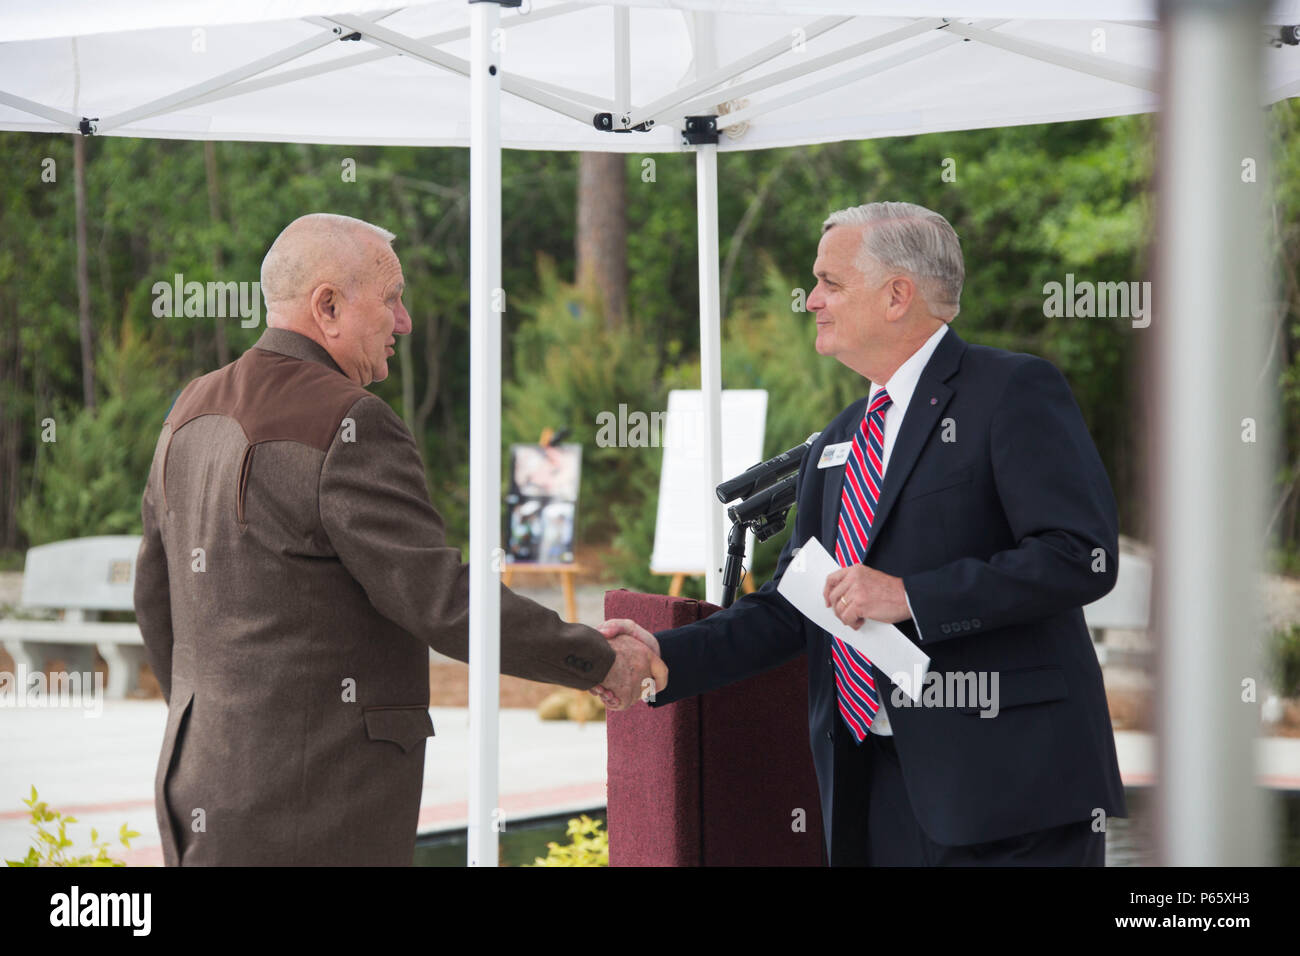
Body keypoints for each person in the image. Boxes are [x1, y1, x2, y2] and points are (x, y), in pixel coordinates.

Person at [596, 201, 1126, 866]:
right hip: (867, 786)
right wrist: (661, 657)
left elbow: (1081, 555)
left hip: (1008, 790)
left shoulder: (1013, 390)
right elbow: (795, 607)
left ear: (898, 294)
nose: (812, 300)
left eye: (831, 282)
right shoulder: (841, 436)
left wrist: (911, 595)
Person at [133, 213, 665, 866]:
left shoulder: (189, 408)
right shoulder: (349, 422)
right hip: (316, 809)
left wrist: (216, 725)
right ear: (327, 306)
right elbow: (440, 599)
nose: (404, 320)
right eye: (390, 299)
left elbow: (154, 600)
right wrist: (596, 659)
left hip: (197, 784)